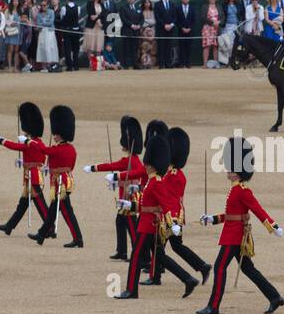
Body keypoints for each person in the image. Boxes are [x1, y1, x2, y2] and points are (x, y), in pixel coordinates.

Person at [196, 136, 284, 314]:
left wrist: (273, 226)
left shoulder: (243, 191)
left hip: (234, 236)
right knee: (248, 269)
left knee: (219, 267)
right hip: (234, 233)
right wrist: (212, 219)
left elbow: (258, 210)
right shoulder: (235, 189)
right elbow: (231, 215)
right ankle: (274, 297)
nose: (227, 170)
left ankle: (214, 306)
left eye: (230, 168)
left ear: (237, 172)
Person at [114, 135, 198, 301]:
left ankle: (131, 290)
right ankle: (188, 279)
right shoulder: (152, 181)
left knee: (136, 256)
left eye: (147, 164)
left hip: (148, 226)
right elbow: (146, 205)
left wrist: (173, 224)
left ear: (153, 166)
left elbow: (165, 205)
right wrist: (129, 205)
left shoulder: (157, 183)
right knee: (160, 256)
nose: (145, 166)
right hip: (149, 224)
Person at [83, 115, 144, 261]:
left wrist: (96, 169)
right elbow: (120, 173)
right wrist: (115, 182)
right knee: (120, 222)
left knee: (131, 227)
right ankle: (121, 251)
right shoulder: (132, 160)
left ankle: (138, 254)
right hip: (125, 196)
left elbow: (115, 168)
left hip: (130, 198)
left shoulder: (131, 161)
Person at [0, 102, 52, 239]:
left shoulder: (30, 143)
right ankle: (9, 226)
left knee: (40, 204)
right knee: (23, 204)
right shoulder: (36, 142)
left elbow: (14, 146)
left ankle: (50, 228)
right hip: (29, 175)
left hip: (34, 176)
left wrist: (1, 140)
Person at [163, 127, 210, 283]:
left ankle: (157, 275)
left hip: (171, 217)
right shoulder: (173, 173)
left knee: (159, 248)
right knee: (175, 246)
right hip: (173, 216)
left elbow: (171, 199)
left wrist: (172, 221)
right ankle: (202, 266)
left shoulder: (173, 175)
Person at [36, 104, 83, 248]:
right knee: (52, 211)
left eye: (55, 134)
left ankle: (78, 238)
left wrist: (28, 142)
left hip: (60, 183)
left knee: (67, 212)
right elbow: (70, 165)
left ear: (60, 134)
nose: (54, 136)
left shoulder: (57, 149)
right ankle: (41, 234)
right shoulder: (71, 149)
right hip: (66, 180)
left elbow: (42, 149)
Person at [201, 0, 221, 68]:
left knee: (215, 46)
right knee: (207, 46)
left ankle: (216, 64)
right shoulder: (204, 7)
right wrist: (212, 22)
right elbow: (203, 17)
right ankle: (205, 64)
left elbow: (222, 17)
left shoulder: (219, 6)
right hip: (207, 29)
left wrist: (219, 22)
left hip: (217, 29)